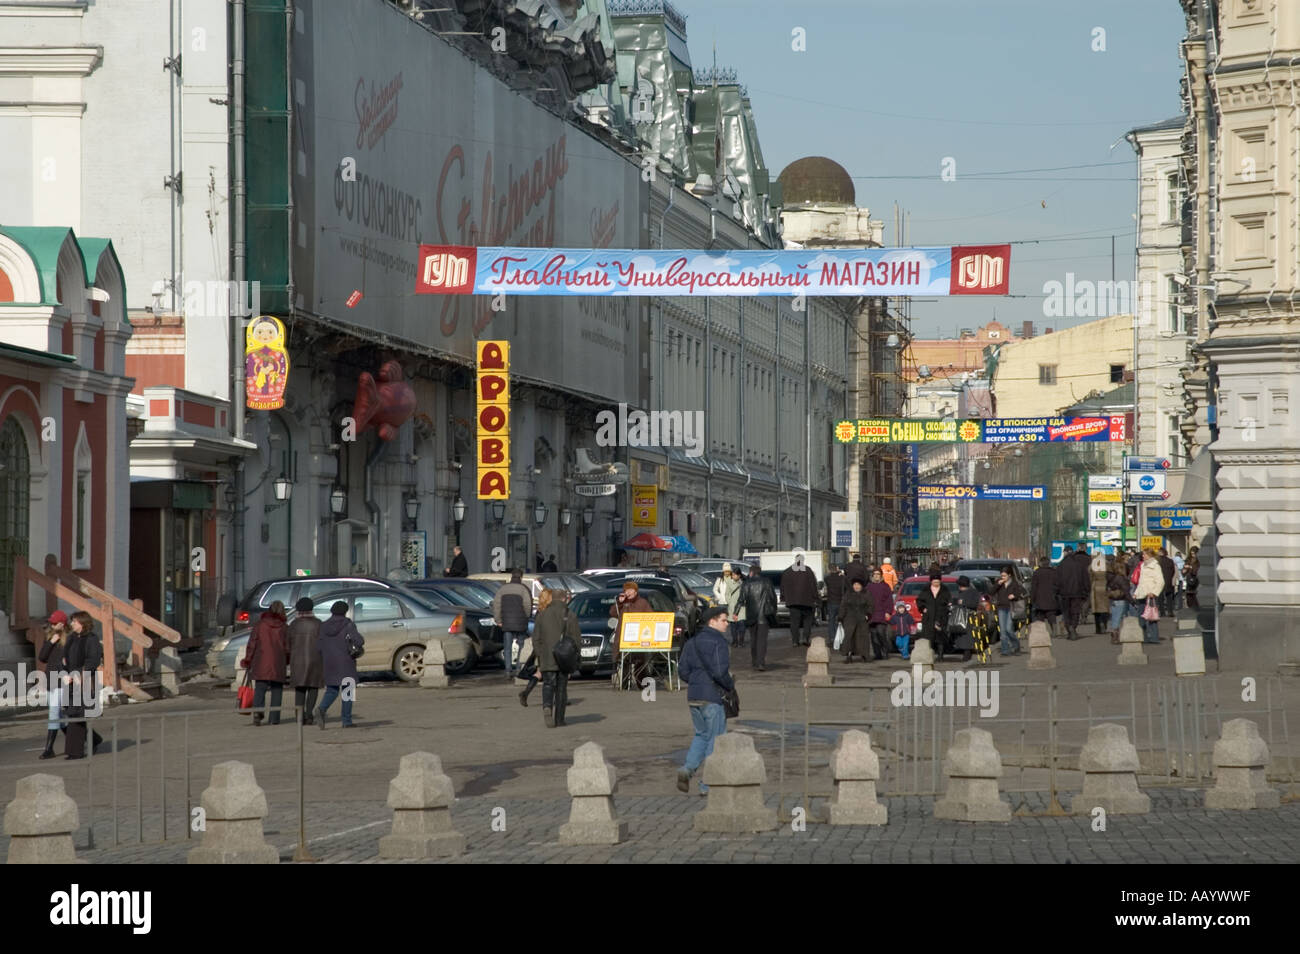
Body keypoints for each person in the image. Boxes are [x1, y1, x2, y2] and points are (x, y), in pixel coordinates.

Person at [676, 606, 735, 795]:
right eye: (724, 620)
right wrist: (729, 685)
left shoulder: (691, 642)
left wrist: (695, 682)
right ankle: (708, 784)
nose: (727, 623)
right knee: (716, 740)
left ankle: (687, 769)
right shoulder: (719, 642)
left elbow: (682, 671)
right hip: (712, 696)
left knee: (701, 735)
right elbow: (719, 671)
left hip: (693, 696)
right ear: (712, 621)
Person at [532, 588, 580, 728]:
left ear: (552, 599)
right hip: (564, 658)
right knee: (561, 688)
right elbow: (576, 639)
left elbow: (536, 638)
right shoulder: (570, 615)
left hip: (547, 657)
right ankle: (560, 719)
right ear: (565, 599)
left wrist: (540, 654)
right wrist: (575, 658)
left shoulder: (542, 614)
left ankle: (547, 706)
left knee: (548, 684)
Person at [60, 611, 103, 759]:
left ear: (83, 623)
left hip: (84, 681)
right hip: (71, 682)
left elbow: (93, 660)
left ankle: (75, 752)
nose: (72, 624)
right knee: (75, 714)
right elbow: (64, 659)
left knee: (76, 715)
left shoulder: (92, 639)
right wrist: (65, 673)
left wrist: (77, 674)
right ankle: (95, 740)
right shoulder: (71, 638)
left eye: (74, 621)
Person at [316, 601, 364, 728]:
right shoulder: (348, 624)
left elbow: (318, 647)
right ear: (345, 611)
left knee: (332, 690)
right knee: (347, 691)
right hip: (346, 662)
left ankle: (321, 708)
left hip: (329, 663)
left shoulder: (323, 626)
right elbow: (359, 641)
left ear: (331, 611)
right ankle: (346, 721)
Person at [243, 600, 289, 726]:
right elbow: (287, 647)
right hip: (278, 662)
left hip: (261, 661)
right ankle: (274, 718)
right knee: (277, 690)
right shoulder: (284, 627)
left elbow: (252, 643)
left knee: (260, 688)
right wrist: (287, 660)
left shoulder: (260, 625)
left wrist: (248, 660)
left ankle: (258, 713)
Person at [36, 611, 70, 760]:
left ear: (63, 624)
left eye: (55, 623)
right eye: (52, 622)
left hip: (62, 679)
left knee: (54, 712)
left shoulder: (69, 638)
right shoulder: (50, 637)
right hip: (51, 679)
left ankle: (49, 749)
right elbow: (42, 657)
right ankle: (89, 738)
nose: (52, 625)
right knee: (60, 715)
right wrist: (51, 642)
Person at [287, 597, 323, 726]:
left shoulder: (293, 625)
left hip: (297, 661)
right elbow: (322, 643)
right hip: (315, 660)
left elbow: (287, 644)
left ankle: (299, 716)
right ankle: (309, 716)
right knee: (313, 688)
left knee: (300, 689)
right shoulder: (318, 623)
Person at [492, 569, 533, 680]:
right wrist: (527, 617)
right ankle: (519, 667)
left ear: (511, 577)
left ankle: (508, 670)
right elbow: (528, 605)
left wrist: (498, 620)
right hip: (521, 622)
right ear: (521, 577)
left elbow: (496, 605)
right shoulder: (524, 589)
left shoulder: (503, 589)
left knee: (507, 647)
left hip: (506, 623)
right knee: (521, 645)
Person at [609, 580, 651, 686]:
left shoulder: (642, 603)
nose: (628, 592)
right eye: (626, 590)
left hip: (638, 637)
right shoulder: (623, 603)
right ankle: (624, 684)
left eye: (630, 590)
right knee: (624, 659)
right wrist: (620, 602)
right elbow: (613, 613)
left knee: (639, 661)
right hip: (624, 637)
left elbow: (651, 617)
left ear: (635, 591)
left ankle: (642, 683)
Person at [740, 564, 776, 671]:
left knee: (753, 639)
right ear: (760, 572)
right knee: (762, 640)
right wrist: (773, 609)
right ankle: (761, 662)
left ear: (751, 572)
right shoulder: (767, 582)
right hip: (764, 615)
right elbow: (772, 597)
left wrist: (736, 613)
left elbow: (741, 599)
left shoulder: (746, 583)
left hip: (751, 614)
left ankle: (754, 661)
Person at [780, 551, 819, 648]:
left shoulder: (787, 571)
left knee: (794, 622)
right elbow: (813, 586)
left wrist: (783, 597)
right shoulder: (808, 571)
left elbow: (783, 586)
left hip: (793, 602)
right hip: (807, 601)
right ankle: (805, 638)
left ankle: (795, 641)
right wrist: (816, 598)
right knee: (807, 621)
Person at [1057, 544, 1092, 641]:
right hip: (1077, 592)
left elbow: (1056, 581)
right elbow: (1085, 579)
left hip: (1064, 593)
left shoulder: (1060, 566)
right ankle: (1073, 627)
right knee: (1075, 612)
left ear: (1065, 553)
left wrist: (1057, 592)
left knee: (1066, 613)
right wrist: (1086, 591)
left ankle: (1070, 629)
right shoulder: (1079, 565)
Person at [916, 571, 953, 661]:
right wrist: (922, 608)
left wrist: (948, 606)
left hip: (941, 616)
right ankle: (930, 655)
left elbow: (949, 600)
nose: (936, 583)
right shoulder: (926, 589)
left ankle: (940, 655)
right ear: (931, 581)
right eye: (934, 581)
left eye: (938, 581)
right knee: (929, 637)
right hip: (929, 617)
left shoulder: (944, 589)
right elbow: (919, 600)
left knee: (940, 637)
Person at [991, 566, 1025, 656]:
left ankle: (1016, 646)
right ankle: (1005, 650)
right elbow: (991, 592)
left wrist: (1014, 595)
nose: (1003, 578)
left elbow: (1021, 592)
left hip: (1011, 608)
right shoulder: (999, 583)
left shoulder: (1014, 583)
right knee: (1002, 631)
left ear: (1009, 575)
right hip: (1001, 608)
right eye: (1002, 576)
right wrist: (998, 584)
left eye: (1004, 576)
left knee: (1009, 629)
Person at [1133, 548, 1165, 645]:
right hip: (1142, 594)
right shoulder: (1143, 565)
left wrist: (1154, 592)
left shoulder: (1155, 566)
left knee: (1151, 617)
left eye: (1144, 554)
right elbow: (1141, 582)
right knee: (1141, 617)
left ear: (1150, 555)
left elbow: (1160, 581)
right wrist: (1136, 592)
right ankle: (1144, 637)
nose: (1143, 556)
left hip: (1150, 595)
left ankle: (1154, 638)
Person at [838, 578, 873, 662]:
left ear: (861, 586)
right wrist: (840, 617)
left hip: (862, 618)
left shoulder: (866, 594)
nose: (856, 586)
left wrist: (868, 614)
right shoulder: (848, 594)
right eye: (855, 585)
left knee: (863, 637)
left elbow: (871, 605)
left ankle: (864, 655)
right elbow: (843, 606)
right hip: (849, 618)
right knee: (849, 637)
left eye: (858, 585)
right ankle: (848, 655)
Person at [866, 569, 894, 660]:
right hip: (871, 614)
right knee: (873, 635)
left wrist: (888, 612)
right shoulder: (869, 587)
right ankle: (877, 653)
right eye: (875, 574)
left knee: (880, 633)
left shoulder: (885, 586)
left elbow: (889, 600)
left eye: (878, 574)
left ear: (881, 575)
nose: (876, 576)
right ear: (872, 575)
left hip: (882, 613)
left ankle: (885, 651)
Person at [951, 576, 980, 662]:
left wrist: (963, 602)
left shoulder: (973, 592)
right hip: (960, 615)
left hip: (968, 616)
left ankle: (967, 652)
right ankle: (964, 650)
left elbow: (974, 604)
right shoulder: (959, 592)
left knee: (967, 634)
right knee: (961, 633)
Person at [1029, 556, 1061, 635]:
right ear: (1048, 563)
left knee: (1040, 616)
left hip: (1039, 599)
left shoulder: (1036, 573)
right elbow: (1058, 585)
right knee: (1051, 615)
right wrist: (1056, 593)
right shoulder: (1054, 572)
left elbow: (1033, 588)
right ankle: (1054, 631)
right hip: (1051, 598)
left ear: (1040, 563)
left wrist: (1032, 600)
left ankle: (1041, 633)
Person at [1105, 557, 1131, 645]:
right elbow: (1126, 591)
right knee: (1118, 617)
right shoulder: (1122, 578)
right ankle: (1115, 634)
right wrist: (1132, 601)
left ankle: (1113, 633)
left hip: (1112, 598)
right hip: (1120, 599)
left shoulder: (1111, 577)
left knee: (1114, 617)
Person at [722, 566, 745, 647]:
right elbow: (727, 594)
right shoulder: (729, 583)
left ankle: (741, 642)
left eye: (735, 575)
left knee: (741, 625)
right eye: (732, 575)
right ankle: (735, 641)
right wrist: (729, 601)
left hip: (742, 608)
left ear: (739, 575)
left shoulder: (743, 583)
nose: (733, 576)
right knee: (733, 626)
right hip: (732, 607)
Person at [1089, 551, 1110, 637]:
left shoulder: (1092, 566)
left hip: (1096, 586)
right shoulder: (1107, 565)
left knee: (1096, 609)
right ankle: (1104, 624)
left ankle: (1098, 628)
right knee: (1105, 607)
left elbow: (1090, 578)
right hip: (1105, 586)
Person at [824, 563, 845, 639]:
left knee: (831, 621)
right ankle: (841, 637)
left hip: (831, 601)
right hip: (841, 601)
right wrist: (840, 572)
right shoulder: (842, 578)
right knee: (841, 620)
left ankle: (832, 637)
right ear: (837, 568)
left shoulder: (827, 578)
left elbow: (826, 579)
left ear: (829, 569)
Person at [1157, 548, 1177, 617]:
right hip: (1168, 581)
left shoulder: (1158, 561)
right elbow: (1173, 571)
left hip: (1160, 581)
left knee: (1160, 598)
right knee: (1169, 597)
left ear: (1160, 553)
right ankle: (1170, 612)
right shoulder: (1170, 561)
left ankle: (1162, 612)